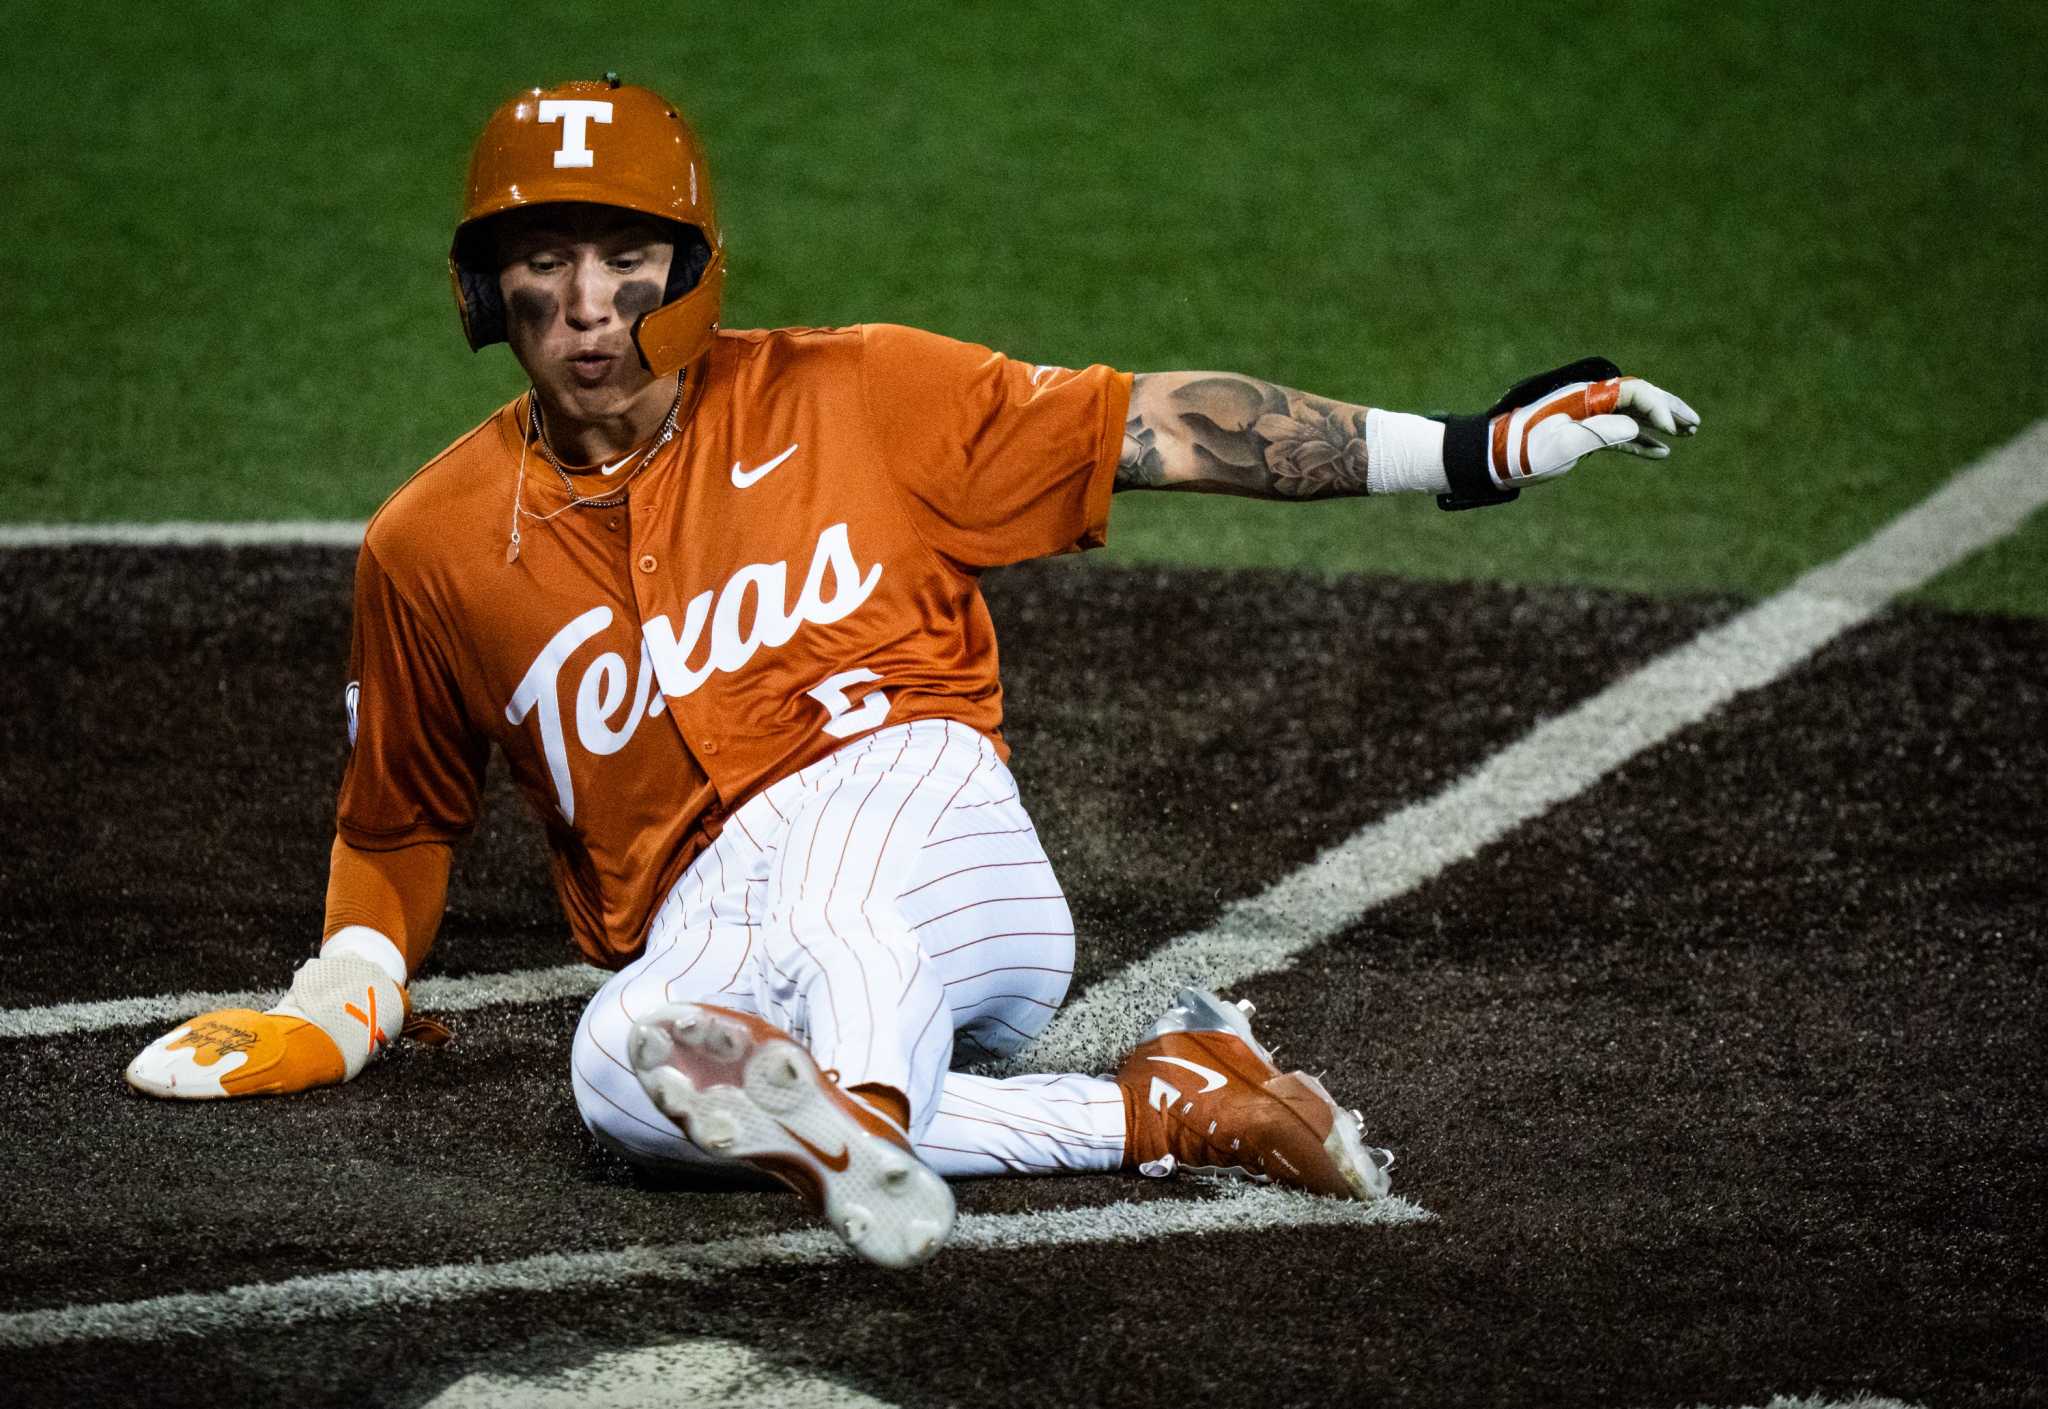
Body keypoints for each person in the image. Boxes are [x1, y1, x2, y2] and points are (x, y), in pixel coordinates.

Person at [125, 76, 1700, 1268]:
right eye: (547, 265)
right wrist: (340, 1000)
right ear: (487, 293)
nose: (589, 307)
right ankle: (1172, 1102)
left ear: (690, 267)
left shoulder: (861, 394)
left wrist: (1474, 453)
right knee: (619, 1063)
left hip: (935, 838)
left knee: (832, 910)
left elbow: (1157, 425)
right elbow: (399, 818)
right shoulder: (433, 542)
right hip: (707, 921)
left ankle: (856, 1120)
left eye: (626, 258)